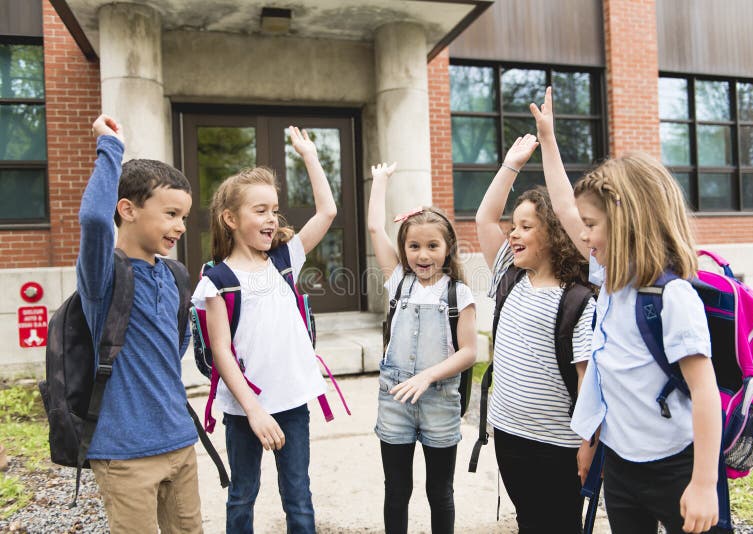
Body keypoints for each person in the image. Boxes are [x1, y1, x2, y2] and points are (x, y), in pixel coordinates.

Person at [531, 87, 722, 534]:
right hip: (619, 464)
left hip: (676, 468)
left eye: (593, 225)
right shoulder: (609, 280)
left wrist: (704, 483)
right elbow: (564, 207)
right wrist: (549, 141)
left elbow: (706, 393)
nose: (584, 236)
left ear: (627, 223)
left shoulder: (672, 299)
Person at [192, 126, 337, 534]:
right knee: (242, 496)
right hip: (243, 412)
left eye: (274, 209)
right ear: (231, 219)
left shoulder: (284, 259)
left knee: (299, 499)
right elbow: (221, 350)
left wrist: (309, 155)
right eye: (260, 210)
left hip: (292, 404)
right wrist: (254, 411)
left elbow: (327, 212)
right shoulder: (216, 280)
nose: (271, 218)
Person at [80, 115, 201, 533]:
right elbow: (95, 222)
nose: (180, 226)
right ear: (127, 209)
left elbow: (175, 348)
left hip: (180, 443)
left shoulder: (176, 276)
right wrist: (111, 147)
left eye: (183, 216)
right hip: (126, 454)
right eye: (170, 213)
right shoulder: (103, 276)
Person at [474, 135, 597, 533]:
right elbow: (484, 219)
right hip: (509, 433)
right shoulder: (508, 276)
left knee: (560, 525)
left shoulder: (577, 300)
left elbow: (586, 379)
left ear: (557, 234)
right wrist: (511, 164)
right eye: (514, 226)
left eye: (526, 226)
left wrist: (587, 443)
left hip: (558, 446)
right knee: (528, 522)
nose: (513, 234)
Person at [368, 162, 477, 534]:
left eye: (433, 246)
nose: (423, 255)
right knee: (397, 489)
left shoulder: (458, 293)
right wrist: (380, 181)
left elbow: (469, 353)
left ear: (448, 248)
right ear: (404, 249)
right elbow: (373, 227)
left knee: (439, 491)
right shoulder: (399, 281)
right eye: (414, 246)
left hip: (440, 400)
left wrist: (428, 376)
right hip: (395, 399)